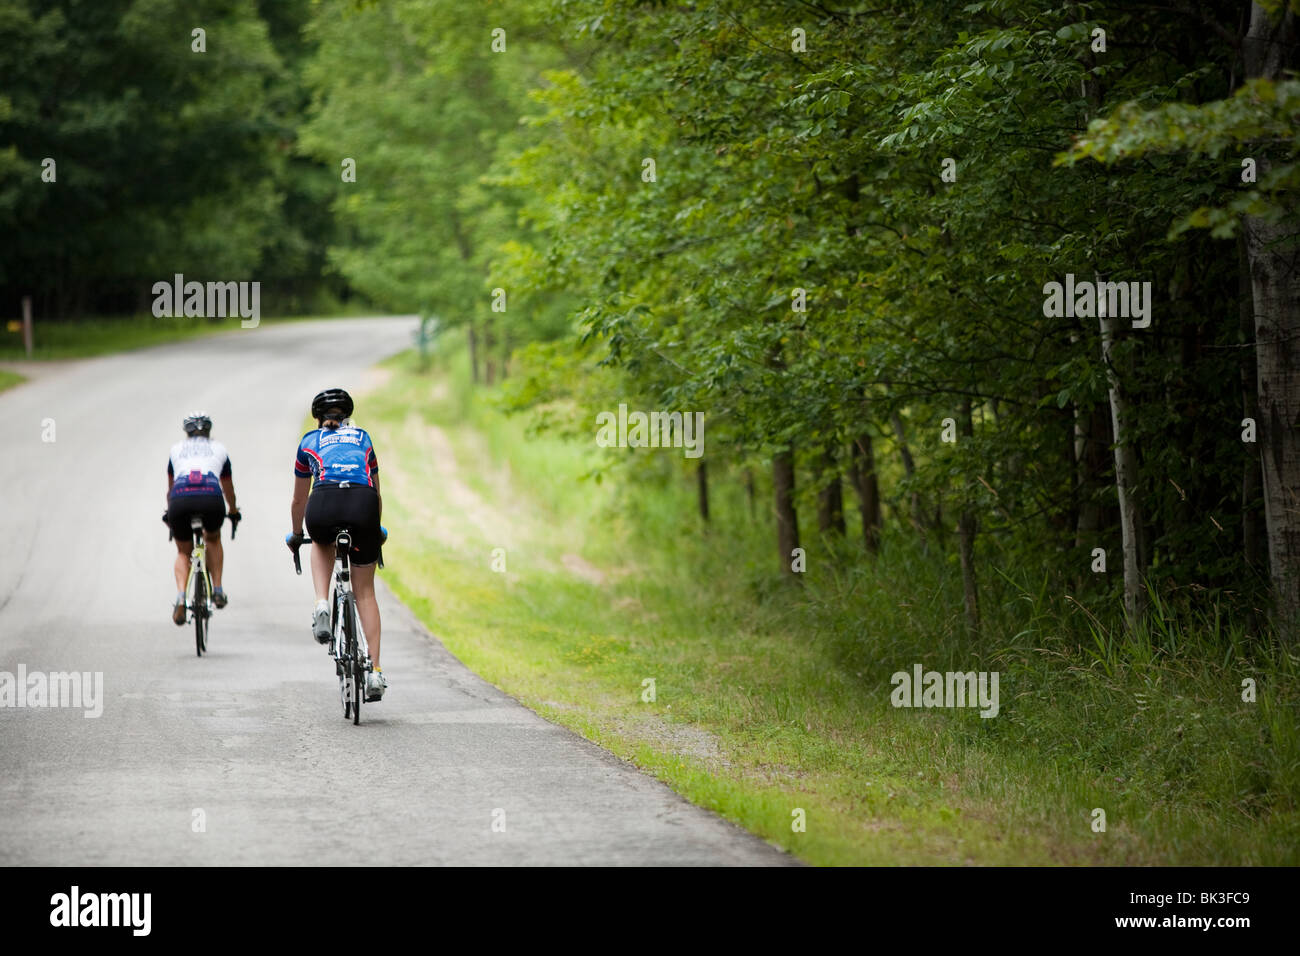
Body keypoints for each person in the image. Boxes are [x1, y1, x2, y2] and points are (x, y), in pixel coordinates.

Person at [287, 388, 387, 701]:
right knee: (366, 592)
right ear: (347, 415)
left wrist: (296, 534)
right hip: (363, 506)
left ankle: (321, 603)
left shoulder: (309, 441)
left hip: (324, 504)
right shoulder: (363, 437)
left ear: (319, 418)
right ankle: (375, 672)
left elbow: (299, 499)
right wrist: (374, 528)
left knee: (319, 539)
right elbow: (376, 490)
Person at [165, 412, 240, 624]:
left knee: (183, 551)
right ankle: (217, 589)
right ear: (208, 431)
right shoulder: (219, 448)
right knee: (213, 538)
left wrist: (169, 513)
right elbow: (228, 488)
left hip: (180, 498)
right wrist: (233, 510)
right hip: (211, 497)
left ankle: (181, 597)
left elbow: (170, 490)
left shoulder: (176, 449)